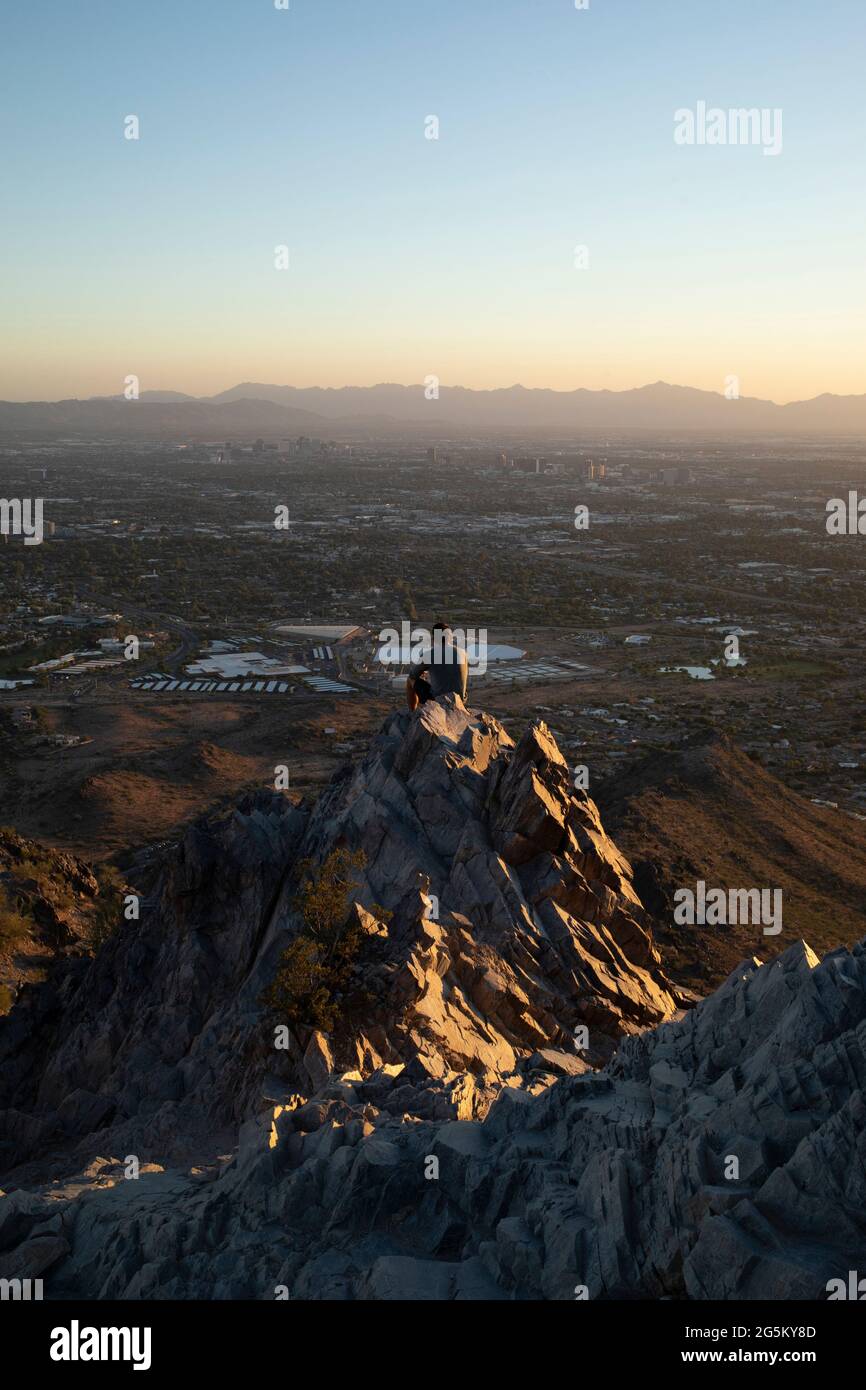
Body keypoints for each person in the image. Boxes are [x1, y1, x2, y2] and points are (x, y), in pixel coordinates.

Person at [406, 620, 469, 711]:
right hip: (461, 700)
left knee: (410, 681)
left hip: (440, 701)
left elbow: (412, 675)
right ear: (450, 637)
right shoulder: (463, 652)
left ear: (434, 638)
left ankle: (412, 712)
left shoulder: (429, 654)